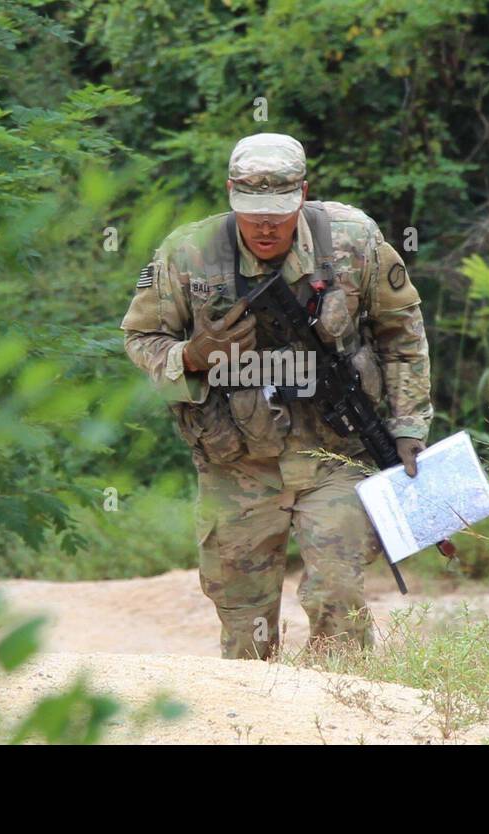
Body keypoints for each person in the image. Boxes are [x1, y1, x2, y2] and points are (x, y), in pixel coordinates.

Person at [121, 133, 434, 659]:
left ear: (304, 194)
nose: (266, 225)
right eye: (252, 211)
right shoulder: (188, 254)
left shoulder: (354, 242)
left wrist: (408, 427)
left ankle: (341, 715)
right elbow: (140, 338)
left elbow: (401, 335)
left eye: (280, 211)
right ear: (229, 195)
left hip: (336, 455)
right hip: (236, 463)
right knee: (244, 623)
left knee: (339, 594)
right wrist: (193, 357)